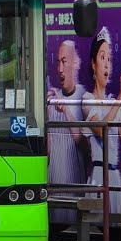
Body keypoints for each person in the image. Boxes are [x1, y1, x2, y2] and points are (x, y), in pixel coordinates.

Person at [83, 27, 121, 214]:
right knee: (99, 223)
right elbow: (100, 130)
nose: (107, 64)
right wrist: (120, 97)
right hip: (98, 174)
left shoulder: (114, 101)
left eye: (109, 59)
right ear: (93, 64)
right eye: (102, 58)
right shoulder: (87, 99)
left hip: (114, 175)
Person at [46, 41, 88, 219]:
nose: (60, 69)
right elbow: (47, 151)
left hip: (73, 186)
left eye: (65, 61)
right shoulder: (52, 98)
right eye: (58, 62)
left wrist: (67, 111)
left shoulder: (85, 97)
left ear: (76, 63)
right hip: (53, 185)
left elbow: (86, 146)